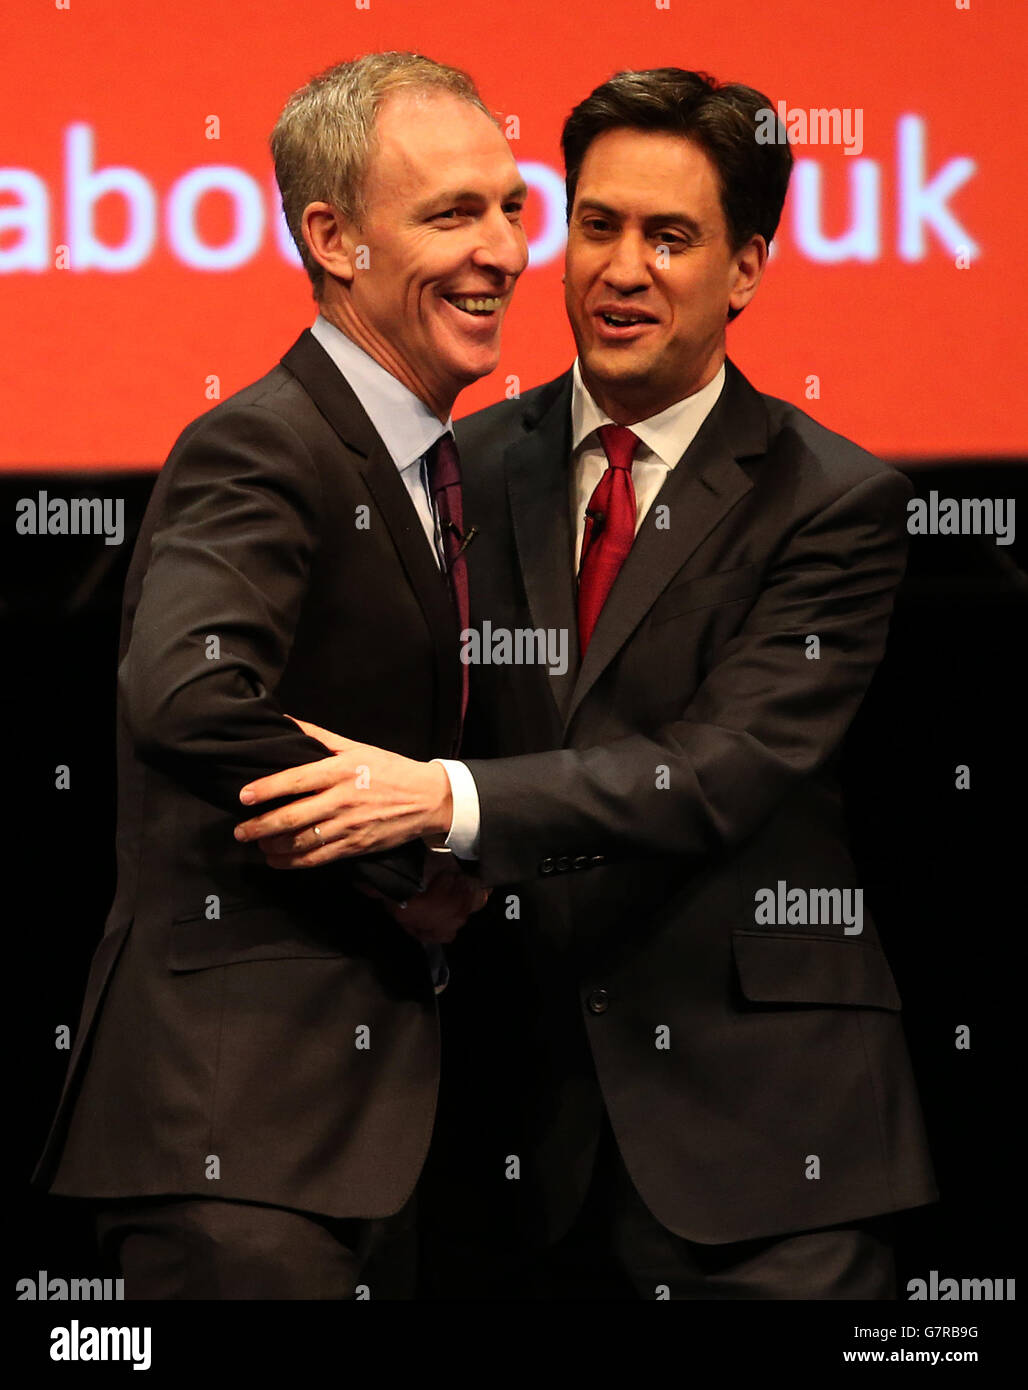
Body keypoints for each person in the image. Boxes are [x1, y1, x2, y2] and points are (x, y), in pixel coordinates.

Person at [232, 68, 938, 1299]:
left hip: (765, 1153)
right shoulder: (460, 463)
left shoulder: (832, 503)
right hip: (500, 1137)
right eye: (596, 224)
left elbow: (718, 772)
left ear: (747, 269)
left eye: (670, 237)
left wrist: (442, 806)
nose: (621, 269)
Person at [31, 50, 526, 1299]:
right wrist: (406, 850)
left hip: (350, 1144)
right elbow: (189, 695)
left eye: (512, 206)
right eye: (451, 214)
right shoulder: (263, 439)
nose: (505, 251)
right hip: (234, 1141)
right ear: (334, 238)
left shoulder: (428, 464)